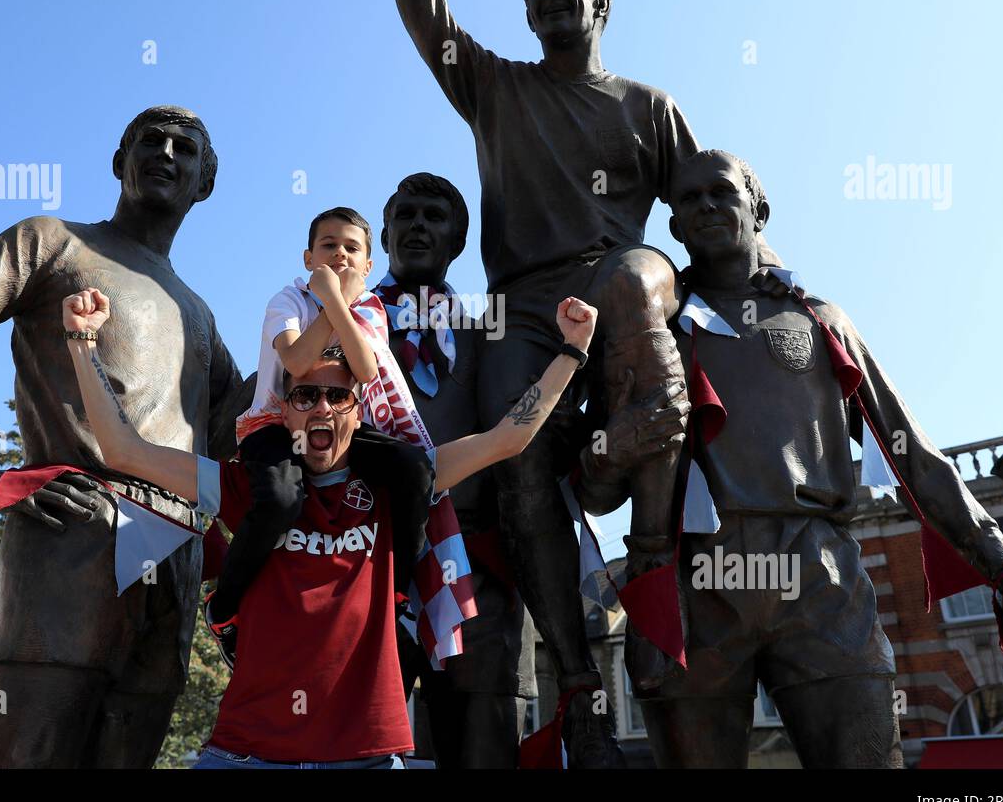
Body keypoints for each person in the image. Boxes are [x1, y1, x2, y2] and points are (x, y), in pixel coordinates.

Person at [394, 0, 725, 764]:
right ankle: (580, 679)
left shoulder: (648, 106)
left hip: (624, 275)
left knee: (631, 285)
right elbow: (425, 15)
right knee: (517, 457)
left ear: (599, 0)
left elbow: (704, 206)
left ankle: (650, 555)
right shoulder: (499, 88)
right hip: (523, 306)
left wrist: (763, 290)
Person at [60, 283, 600, 767]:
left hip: (366, 755)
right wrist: (82, 346)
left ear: (358, 410)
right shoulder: (244, 484)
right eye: (305, 395)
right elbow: (124, 450)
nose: (321, 406)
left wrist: (571, 352)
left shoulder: (395, 488)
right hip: (247, 753)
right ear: (285, 412)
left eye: (337, 395)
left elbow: (506, 438)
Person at [652, 149, 1003, 767]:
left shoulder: (820, 319)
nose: (706, 206)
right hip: (701, 580)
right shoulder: (654, 329)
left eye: (722, 192)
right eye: (688, 200)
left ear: (758, 209)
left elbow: (915, 455)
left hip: (821, 576)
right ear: (676, 228)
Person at [0, 105, 251, 768]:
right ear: (119, 162)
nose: (166, 153)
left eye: (185, 149)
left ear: (205, 182)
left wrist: (328, 328)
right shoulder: (53, 241)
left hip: (174, 562)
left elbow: (231, 436)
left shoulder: (199, 314)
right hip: (69, 542)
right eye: (149, 142)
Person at [376, 172, 537, 768]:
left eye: (435, 217)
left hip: (476, 565)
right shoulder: (335, 324)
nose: (418, 225)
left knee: (482, 747)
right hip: (365, 557)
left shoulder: (490, 331)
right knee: (349, 740)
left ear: (458, 242)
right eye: (407, 214)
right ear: (385, 230)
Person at [205, 207, 383, 655]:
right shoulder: (287, 300)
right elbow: (298, 363)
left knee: (414, 469)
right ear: (309, 258)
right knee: (282, 499)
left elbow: (365, 369)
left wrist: (340, 304)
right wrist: (329, 303)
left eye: (351, 247)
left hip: (340, 424)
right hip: (276, 424)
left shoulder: (370, 311)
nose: (340, 254)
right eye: (329, 245)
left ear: (368, 265)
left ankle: (400, 596)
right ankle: (224, 608)